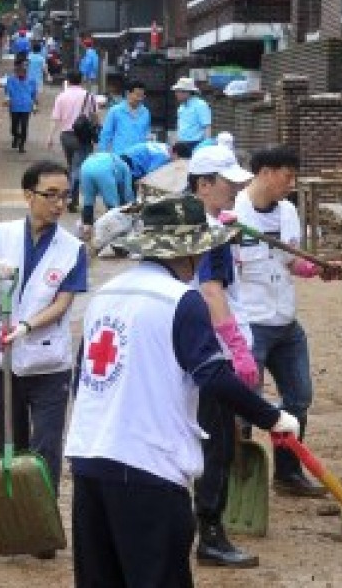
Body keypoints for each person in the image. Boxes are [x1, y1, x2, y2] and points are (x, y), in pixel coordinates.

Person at [64, 195, 300, 587]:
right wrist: (272, 417)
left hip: (90, 457)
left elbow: (81, 381)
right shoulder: (181, 301)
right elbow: (214, 377)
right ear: (192, 250)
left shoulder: (105, 294)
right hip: (148, 467)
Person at [0, 161, 87, 560]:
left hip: (48, 363)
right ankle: (16, 516)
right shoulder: (0, 235)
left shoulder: (72, 248)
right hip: (1, 359)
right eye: (51, 194)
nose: (60, 202)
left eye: (65, 195)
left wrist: (28, 325)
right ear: (28, 195)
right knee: (9, 441)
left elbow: (63, 302)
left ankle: (42, 527)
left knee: (47, 446)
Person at [233, 145, 342, 497]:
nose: (291, 184)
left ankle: (287, 472)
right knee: (244, 407)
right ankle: (239, 480)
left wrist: (317, 269)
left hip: (285, 321)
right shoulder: (233, 216)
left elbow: (291, 262)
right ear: (265, 172)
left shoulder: (289, 212)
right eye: (287, 176)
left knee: (298, 399)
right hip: (250, 325)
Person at [187, 145, 261, 567]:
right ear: (203, 184)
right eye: (227, 184)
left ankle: (195, 526)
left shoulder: (189, 223)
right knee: (216, 443)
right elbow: (212, 290)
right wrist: (236, 349)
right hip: (211, 349)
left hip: (183, 346)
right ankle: (211, 535)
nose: (235, 190)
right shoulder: (209, 233)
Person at [48, 71, 97, 212]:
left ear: (68, 81)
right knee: (78, 167)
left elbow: (55, 119)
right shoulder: (89, 96)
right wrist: (97, 134)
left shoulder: (61, 96)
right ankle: (71, 197)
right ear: (81, 80)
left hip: (66, 136)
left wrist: (50, 137)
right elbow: (94, 116)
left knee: (72, 165)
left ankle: (72, 199)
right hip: (83, 137)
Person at [77, 152, 134, 236]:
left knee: (88, 201)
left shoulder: (112, 157)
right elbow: (127, 191)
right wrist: (131, 206)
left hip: (85, 167)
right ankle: (114, 231)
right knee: (112, 205)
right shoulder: (126, 167)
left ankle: (86, 229)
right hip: (103, 171)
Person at [98, 79, 150, 154]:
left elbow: (146, 133)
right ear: (128, 93)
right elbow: (106, 134)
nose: (140, 99)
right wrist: (102, 154)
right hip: (120, 156)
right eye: (137, 95)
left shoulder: (145, 112)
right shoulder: (115, 111)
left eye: (142, 96)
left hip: (139, 157)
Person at [172, 77, 211, 158]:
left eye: (178, 91)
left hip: (196, 144)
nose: (176, 94)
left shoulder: (200, 105)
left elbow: (207, 126)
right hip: (181, 143)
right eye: (176, 91)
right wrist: (175, 142)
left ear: (187, 92)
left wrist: (206, 147)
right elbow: (180, 126)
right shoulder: (181, 107)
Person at [4, 62, 38, 153]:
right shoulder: (11, 80)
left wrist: (34, 105)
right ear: (16, 73)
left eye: (23, 73)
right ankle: (16, 136)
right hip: (14, 106)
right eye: (18, 73)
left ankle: (21, 145)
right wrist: (7, 99)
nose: (21, 74)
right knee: (13, 127)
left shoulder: (32, 81)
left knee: (24, 126)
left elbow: (34, 94)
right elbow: (7, 92)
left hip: (26, 107)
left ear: (26, 72)